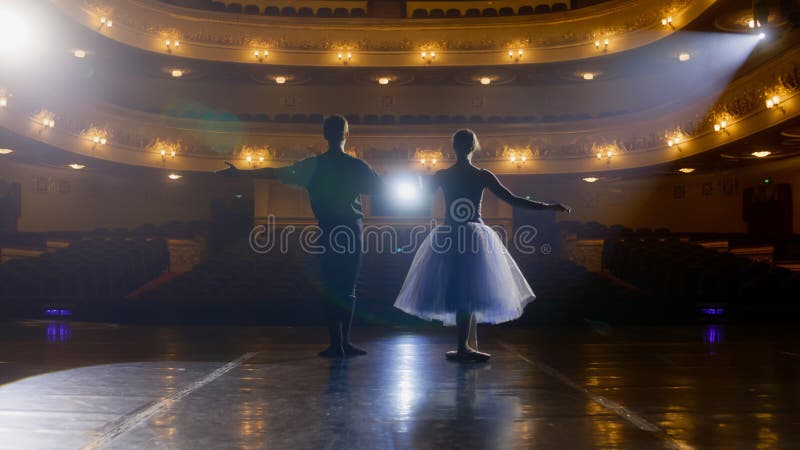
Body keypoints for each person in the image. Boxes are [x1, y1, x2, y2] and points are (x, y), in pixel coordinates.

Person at [394, 129, 571, 362]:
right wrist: (547, 206)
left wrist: (419, 185)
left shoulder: (443, 175)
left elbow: (419, 198)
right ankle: (463, 347)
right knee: (467, 291)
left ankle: (463, 346)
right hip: (473, 235)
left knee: (460, 290)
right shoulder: (481, 175)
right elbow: (513, 200)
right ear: (473, 147)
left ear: (454, 147)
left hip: (450, 234)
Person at [217, 115, 383, 357]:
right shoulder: (357, 166)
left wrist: (241, 173)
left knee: (330, 286)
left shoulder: (312, 166)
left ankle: (336, 343)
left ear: (325, 135)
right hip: (351, 230)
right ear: (346, 135)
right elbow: (378, 189)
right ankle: (344, 342)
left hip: (327, 230)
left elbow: (275, 172)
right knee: (348, 287)